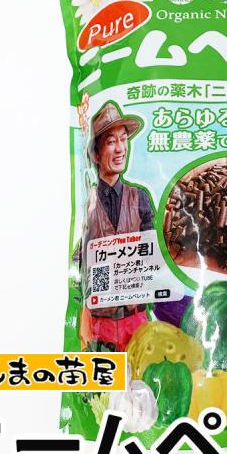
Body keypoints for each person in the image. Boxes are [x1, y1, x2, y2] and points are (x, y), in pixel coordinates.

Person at [83, 102, 154, 323]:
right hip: (98, 319)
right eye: (111, 142)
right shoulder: (87, 202)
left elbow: (153, 256)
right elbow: (80, 261)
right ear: (96, 154)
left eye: (123, 140)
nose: (120, 149)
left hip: (136, 317)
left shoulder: (139, 197)